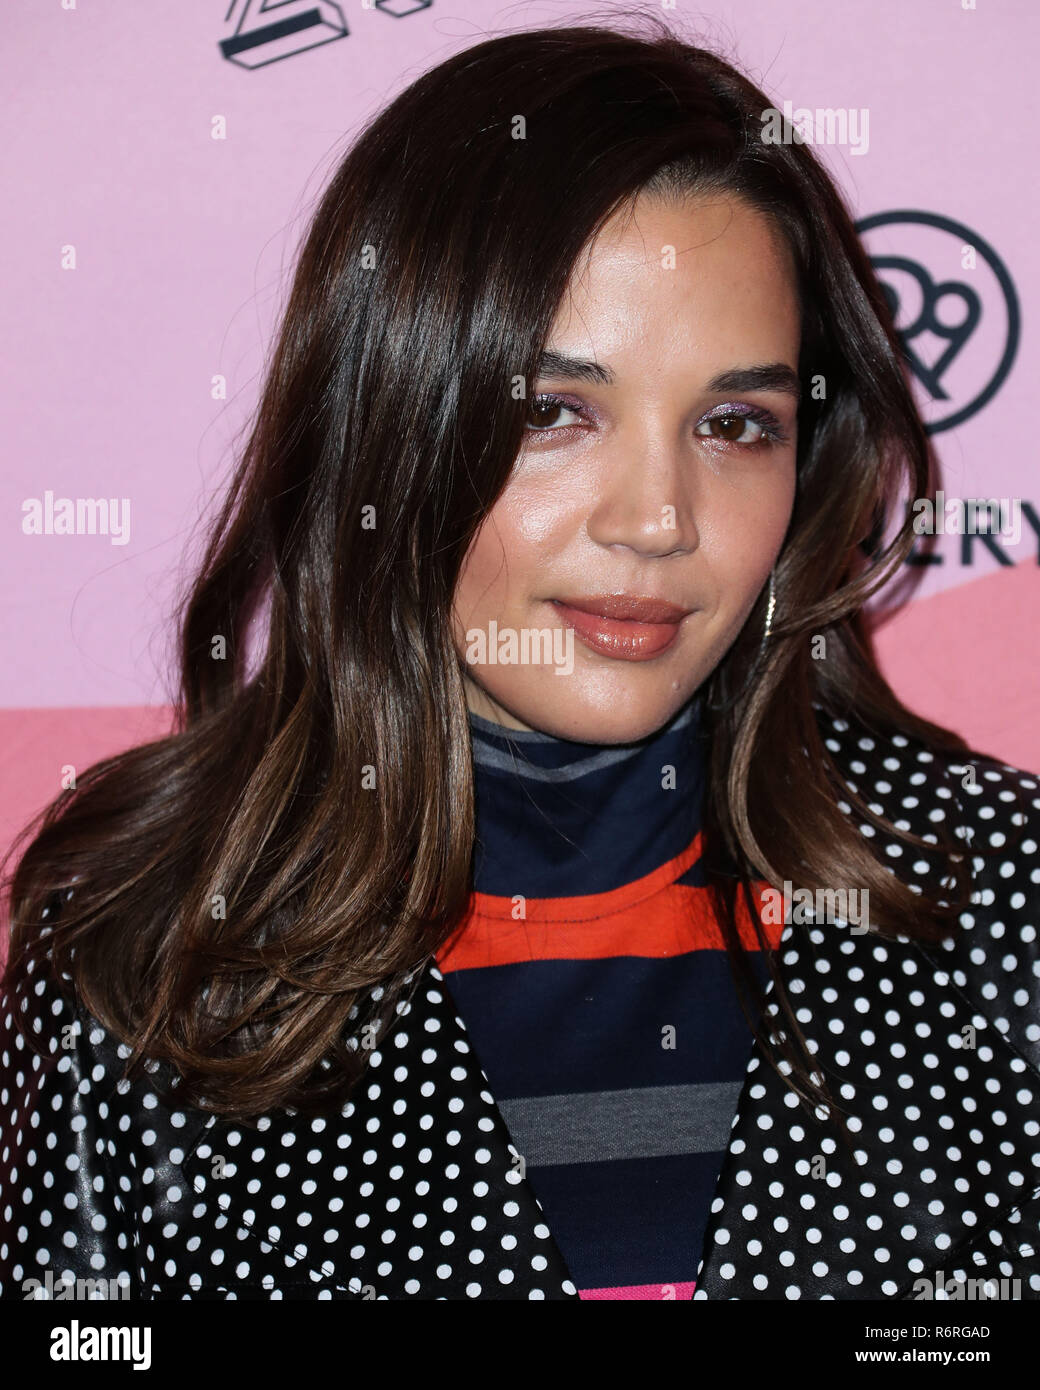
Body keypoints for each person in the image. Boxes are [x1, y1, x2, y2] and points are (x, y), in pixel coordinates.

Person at [1, 14, 1037, 1303]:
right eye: (554, 411)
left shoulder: (997, 898)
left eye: (733, 422)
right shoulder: (146, 949)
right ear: (387, 419)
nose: (656, 520)